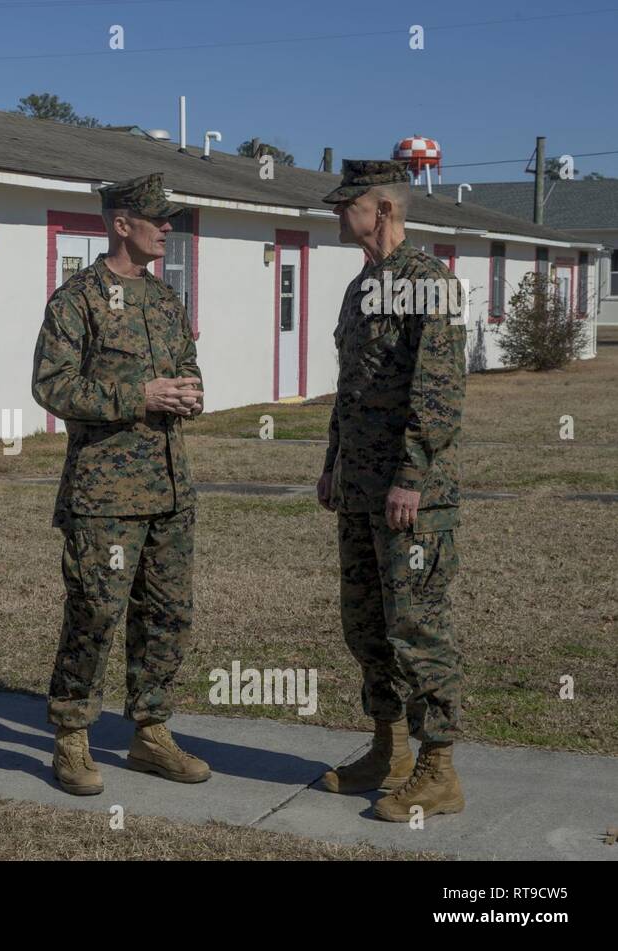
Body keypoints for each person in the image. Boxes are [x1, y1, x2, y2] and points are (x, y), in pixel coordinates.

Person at [31, 172, 208, 796]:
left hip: (169, 489)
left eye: (169, 219)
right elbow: (52, 387)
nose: (168, 228)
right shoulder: (76, 298)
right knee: (95, 611)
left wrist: (188, 394)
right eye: (158, 219)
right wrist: (139, 394)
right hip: (105, 496)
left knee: (168, 614)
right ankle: (72, 737)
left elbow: (188, 371)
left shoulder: (164, 300)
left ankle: (150, 732)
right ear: (121, 223)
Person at [318, 160, 467, 821]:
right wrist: (332, 464)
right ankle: (389, 748)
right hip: (358, 488)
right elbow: (351, 387)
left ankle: (439, 770)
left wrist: (410, 475)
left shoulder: (427, 282)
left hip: (411, 496)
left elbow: (438, 392)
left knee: (417, 627)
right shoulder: (361, 287)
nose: (335, 213)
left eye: (345, 204)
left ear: (380, 209)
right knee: (366, 625)